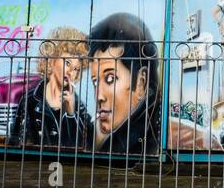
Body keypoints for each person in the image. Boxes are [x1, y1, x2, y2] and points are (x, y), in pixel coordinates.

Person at [87, 13, 162, 155]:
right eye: (95, 81)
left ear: (141, 82)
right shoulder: (96, 133)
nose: (99, 96)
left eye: (110, 79)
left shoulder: (149, 140)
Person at [10, 26, 92, 151]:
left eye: (76, 69)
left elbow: (84, 147)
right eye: (67, 63)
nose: (71, 72)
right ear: (52, 61)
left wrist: (71, 114)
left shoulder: (79, 106)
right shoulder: (31, 100)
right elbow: (17, 142)